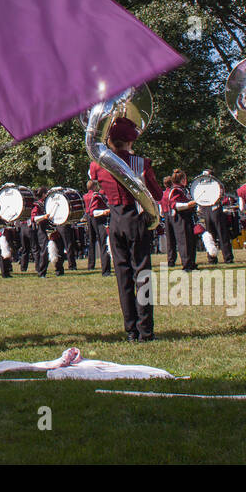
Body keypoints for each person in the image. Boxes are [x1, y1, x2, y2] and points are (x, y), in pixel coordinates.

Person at [89, 117, 162, 341]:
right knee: (142, 273)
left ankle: (130, 330)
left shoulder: (97, 164)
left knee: (123, 275)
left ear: (109, 139)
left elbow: (95, 182)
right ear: (131, 141)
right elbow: (158, 195)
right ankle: (145, 331)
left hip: (115, 221)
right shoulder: (142, 163)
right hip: (136, 218)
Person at [83, 181, 111, 276]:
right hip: (98, 220)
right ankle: (106, 270)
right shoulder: (96, 196)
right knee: (104, 244)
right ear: (94, 186)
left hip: (89, 219)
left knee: (91, 242)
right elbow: (95, 211)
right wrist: (105, 211)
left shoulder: (85, 196)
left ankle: (91, 265)